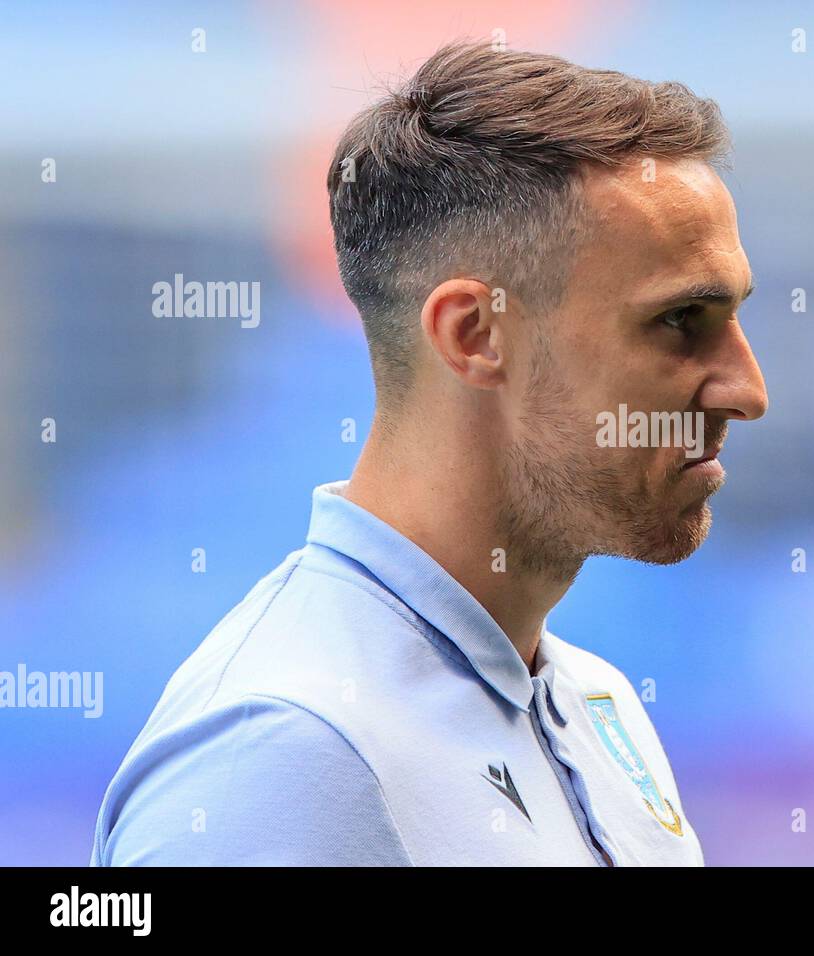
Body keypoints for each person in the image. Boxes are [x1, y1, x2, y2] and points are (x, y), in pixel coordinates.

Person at [91, 38, 767, 866]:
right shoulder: (285, 757)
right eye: (680, 321)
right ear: (475, 335)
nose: (747, 390)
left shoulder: (596, 701)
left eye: (733, 315)